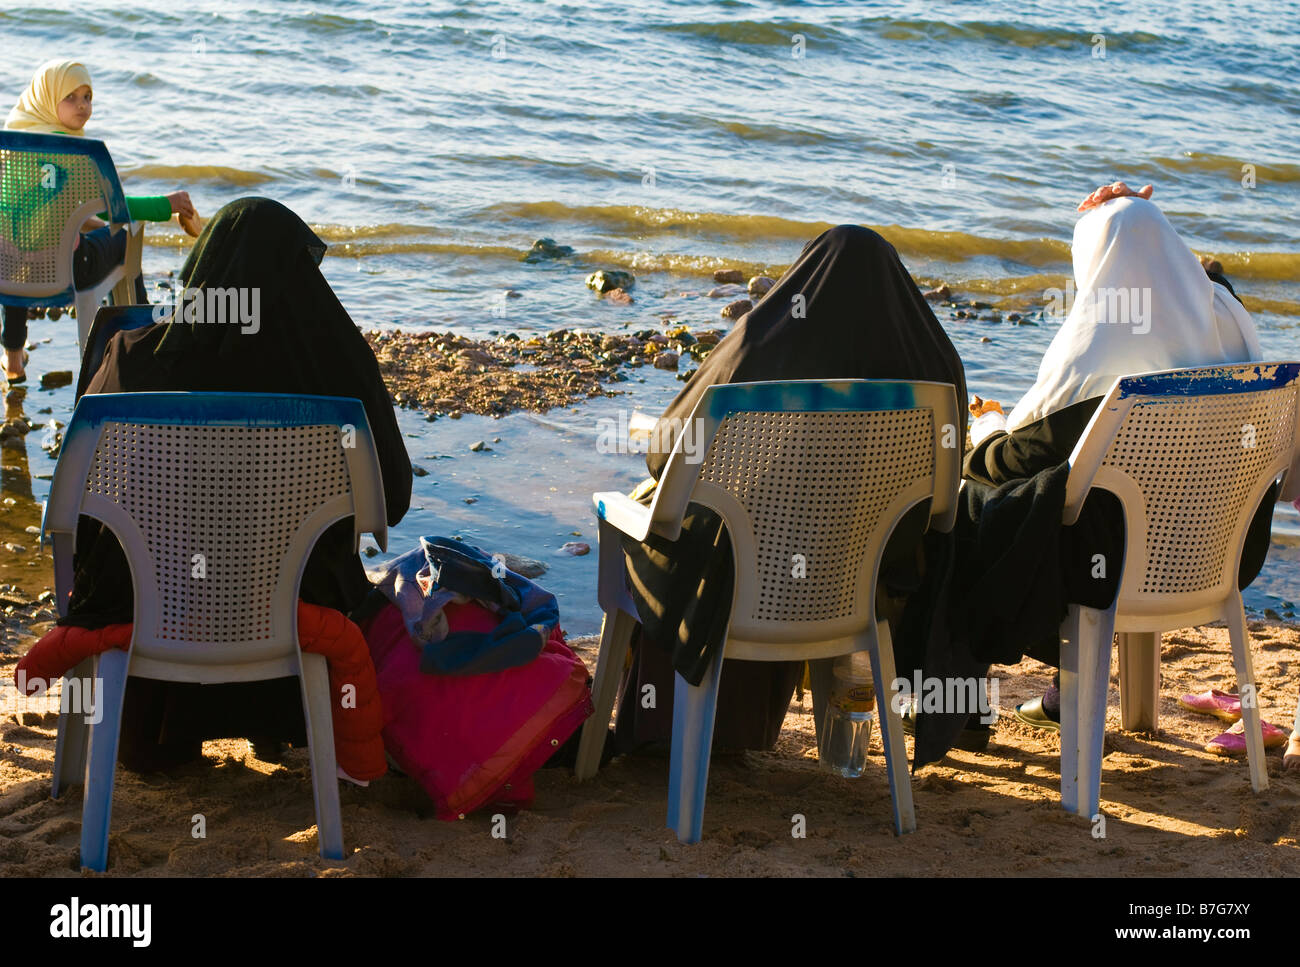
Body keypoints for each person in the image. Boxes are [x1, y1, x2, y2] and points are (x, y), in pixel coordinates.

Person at [66, 196, 412, 770]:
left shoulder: (131, 360)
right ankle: (272, 725)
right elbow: (390, 503)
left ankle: (168, 739)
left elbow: (80, 512)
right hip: (294, 637)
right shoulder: (338, 375)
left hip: (153, 630)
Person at [612, 224, 969, 761]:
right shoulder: (937, 370)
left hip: (745, 580)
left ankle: (656, 728)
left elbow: (666, 455)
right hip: (861, 585)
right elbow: (940, 513)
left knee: (666, 516)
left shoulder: (759, 345)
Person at [961, 182, 1273, 728]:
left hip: (1109, 574)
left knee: (981, 499)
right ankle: (1064, 699)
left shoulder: (1090, 359)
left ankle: (957, 707)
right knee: (1094, 492)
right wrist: (1143, 218)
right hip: (1216, 560)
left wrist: (985, 425)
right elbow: (1178, 275)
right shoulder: (1232, 333)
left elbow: (1008, 462)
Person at [2, 59, 199, 382]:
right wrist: (167, 204)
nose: (83, 106)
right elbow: (113, 209)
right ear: (48, 98)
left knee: (16, 249)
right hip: (70, 269)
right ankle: (140, 336)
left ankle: (13, 360)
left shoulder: (10, 143)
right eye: (71, 97)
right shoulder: (73, 151)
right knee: (124, 237)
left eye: (88, 97)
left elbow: (45, 213)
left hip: (9, 271)